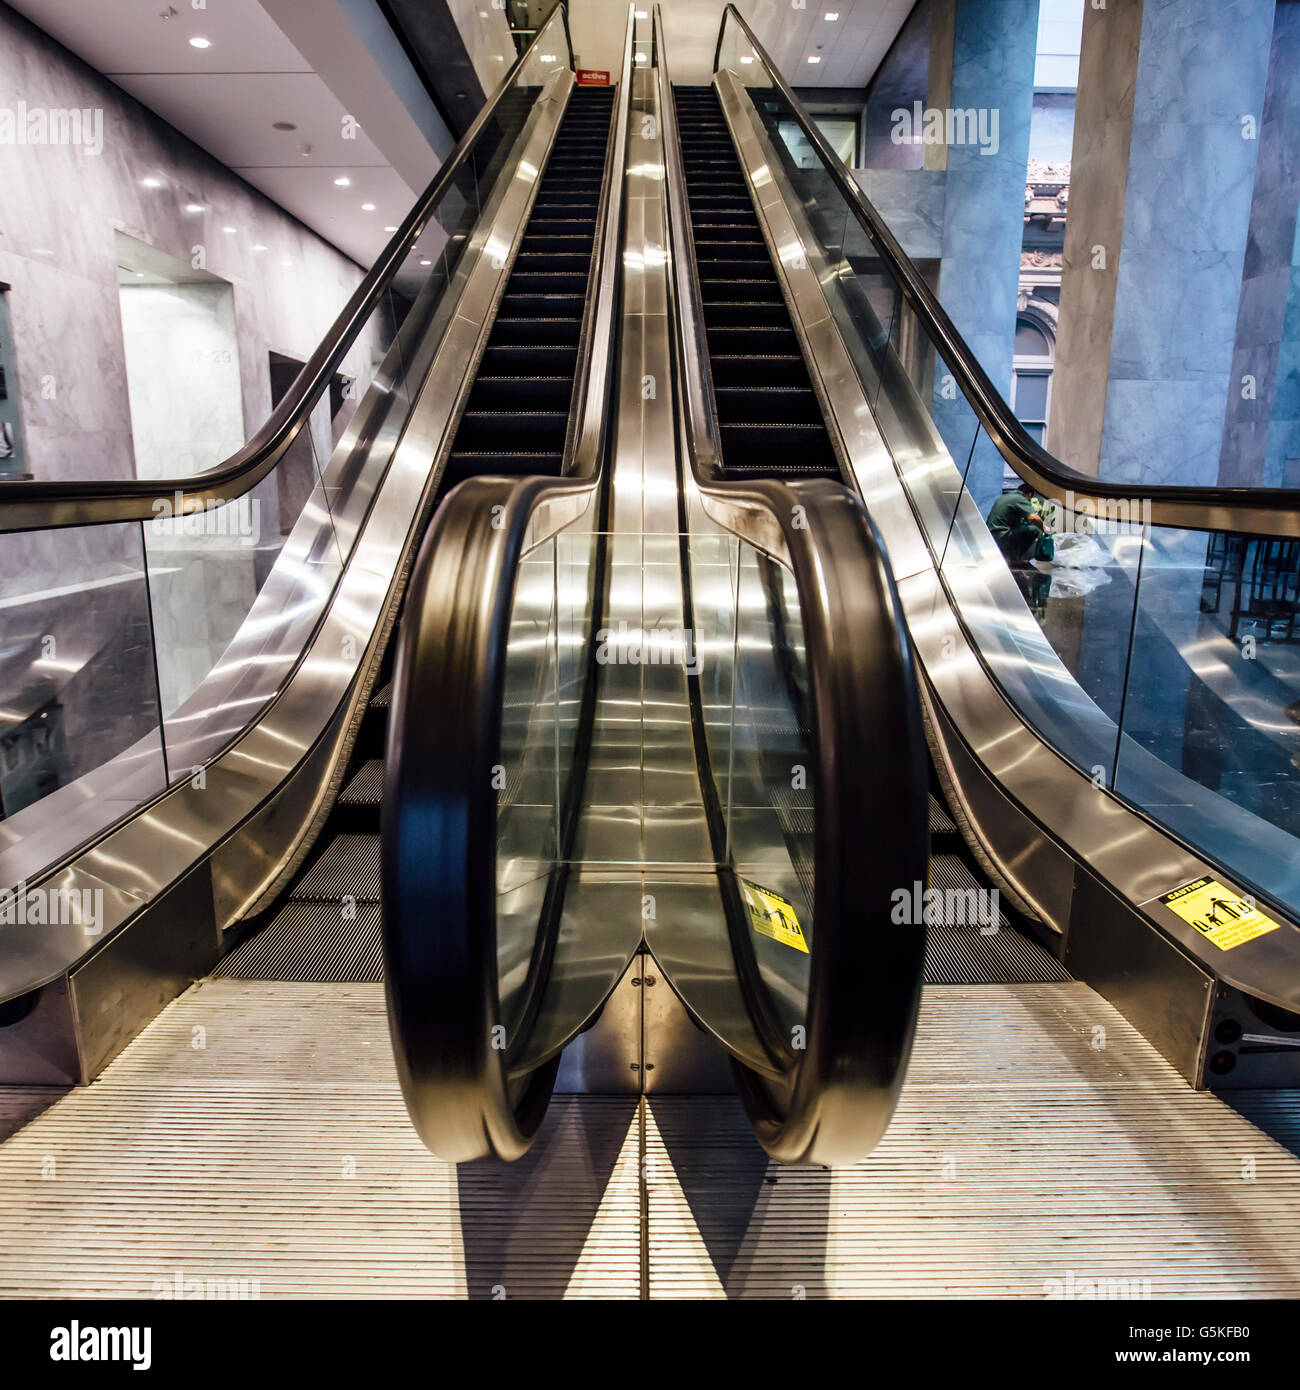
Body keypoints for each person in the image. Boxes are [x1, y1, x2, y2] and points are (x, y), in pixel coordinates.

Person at [987, 480, 1047, 566]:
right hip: (1002, 535)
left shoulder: (1006, 496)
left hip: (990, 534)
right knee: (1034, 530)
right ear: (1029, 494)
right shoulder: (1020, 499)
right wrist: (1046, 530)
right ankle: (1016, 559)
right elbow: (1033, 518)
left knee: (1022, 529)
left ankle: (1012, 556)